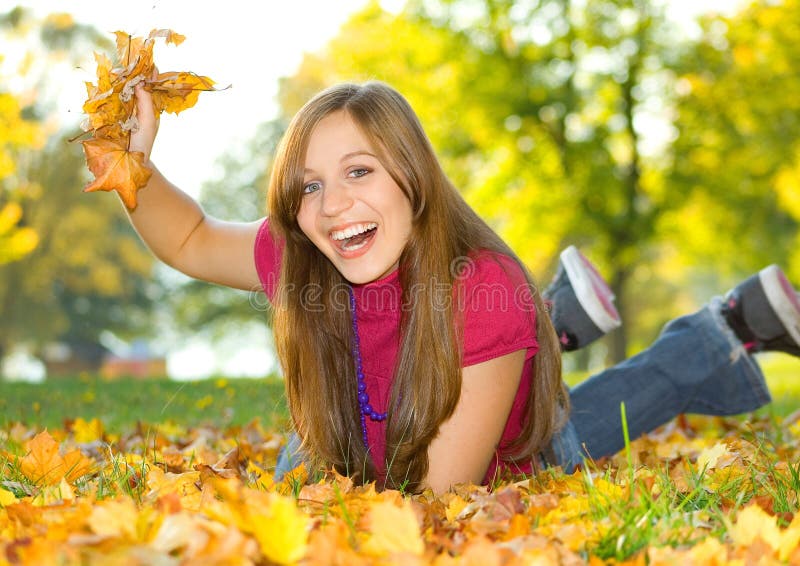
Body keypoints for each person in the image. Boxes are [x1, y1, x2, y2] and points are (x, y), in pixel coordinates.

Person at [125, 80, 800, 494]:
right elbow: (189, 238)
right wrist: (133, 165)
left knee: (583, 420)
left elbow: (436, 496)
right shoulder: (310, 255)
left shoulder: (478, 288)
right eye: (310, 185)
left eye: (359, 172)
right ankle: (543, 325)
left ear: (413, 176)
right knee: (300, 465)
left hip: (504, 457)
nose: (331, 205)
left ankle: (724, 329)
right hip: (399, 412)